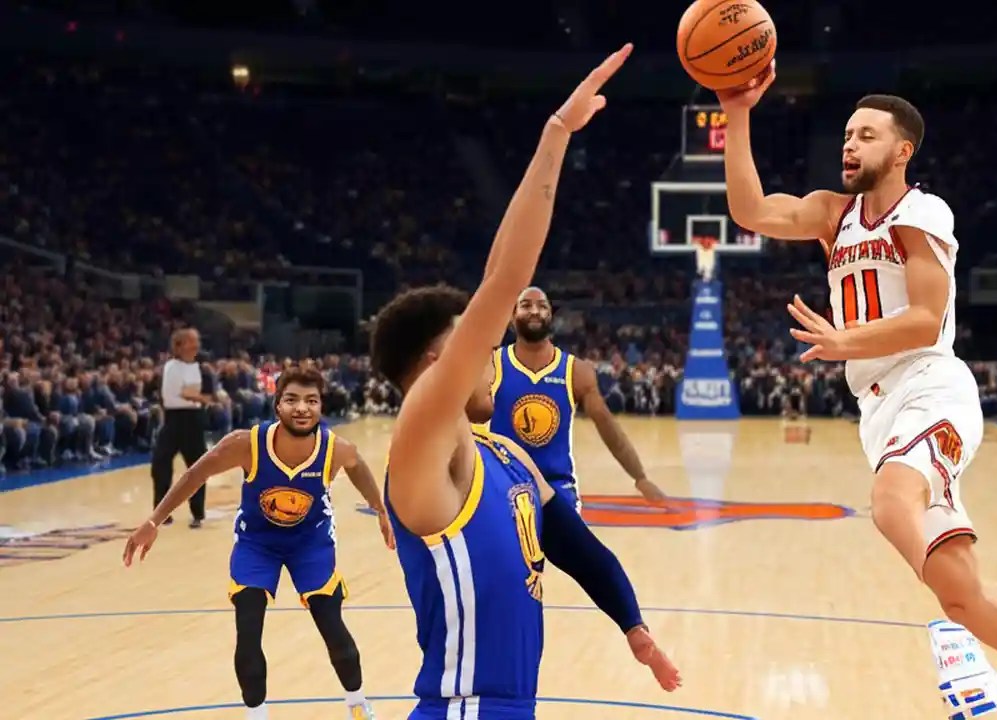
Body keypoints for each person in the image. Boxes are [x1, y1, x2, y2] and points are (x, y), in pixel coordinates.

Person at [717, 65, 997, 720]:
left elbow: (923, 319)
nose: (849, 145)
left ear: (901, 150)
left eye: (866, 135)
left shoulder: (921, 212)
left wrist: (843, 343)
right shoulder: (833, 214)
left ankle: (956, 643)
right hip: (877, 406)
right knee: (962, 596)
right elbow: (750, 210)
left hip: (929, 385)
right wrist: (735, 108)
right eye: (846, 135)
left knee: (890, 506)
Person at [369, 43, 680, 720]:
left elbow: (576, 545)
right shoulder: (423, 440)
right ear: (431, 362)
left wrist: (632, 625)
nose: (493, 349)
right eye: (474, 340)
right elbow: (502, 281)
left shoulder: (505, 455)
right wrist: (556, 136)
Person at [124, 367, 393, 720]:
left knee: (332, 626)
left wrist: (380, 508)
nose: (302, 408)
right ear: (277, 405)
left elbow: (358, 466)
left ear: (321, 406)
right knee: (248, 633)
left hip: (309, 542)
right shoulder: (246, 444)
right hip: (257, 544)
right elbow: (195, 474)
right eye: (292, 399)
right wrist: (153, 520)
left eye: (311, 400)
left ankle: (357, 704)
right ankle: (257, 715)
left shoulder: (335, 449)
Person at [488, 286, 667, 511]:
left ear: (551, 317)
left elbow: (608, 427)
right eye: (526, 305)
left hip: (556, 488)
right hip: (504, 484)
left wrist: (639, 477)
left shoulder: (576, 371)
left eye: (542, 306)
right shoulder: (492, 364)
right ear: (512, 319)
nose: (535, 311)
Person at [152, 328, 211, 528]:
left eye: (197, 341)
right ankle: (161, 512)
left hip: (194, 420)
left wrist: (190, 394)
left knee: (197, 468)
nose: (197, 345)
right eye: (192, 341)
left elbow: (207, 395)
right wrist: (195, 396)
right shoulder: (171, 366)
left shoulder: (201, 368)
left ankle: (197, 513)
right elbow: (170, 396)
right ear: (179, 346)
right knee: (160, 464)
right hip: (174, 419)